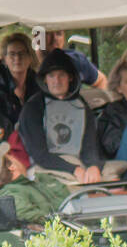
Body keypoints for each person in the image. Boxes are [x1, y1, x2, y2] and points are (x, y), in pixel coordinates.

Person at [18, 49, 108, 185]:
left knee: (109, 182)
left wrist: (93, 166)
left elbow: (90, 146)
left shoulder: (81, 106)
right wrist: (74, 169)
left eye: (61, 75)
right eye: (51, 76)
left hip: (79, 163)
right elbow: (40, 155)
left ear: (70, 77)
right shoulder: (33, 108)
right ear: (45, 79)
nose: (57, 81)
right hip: (45, 167)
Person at [0, 142, 70, 222]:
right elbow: (43, 224)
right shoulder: (11, 196)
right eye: (10, 155)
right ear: (11, 166)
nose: (15, 157)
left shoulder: (36, 180)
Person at [0, 32, 42, 129]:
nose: (17, 58)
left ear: (30, 57)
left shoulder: (39, 84)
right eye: (12, 54)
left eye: (22, 53)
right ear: (4, 59)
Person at [38, 29, 108, 90]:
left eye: (59, 33)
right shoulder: (30, 64)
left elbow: (101, 81)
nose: (54, 38)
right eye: (47, 33)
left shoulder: (76, 60)